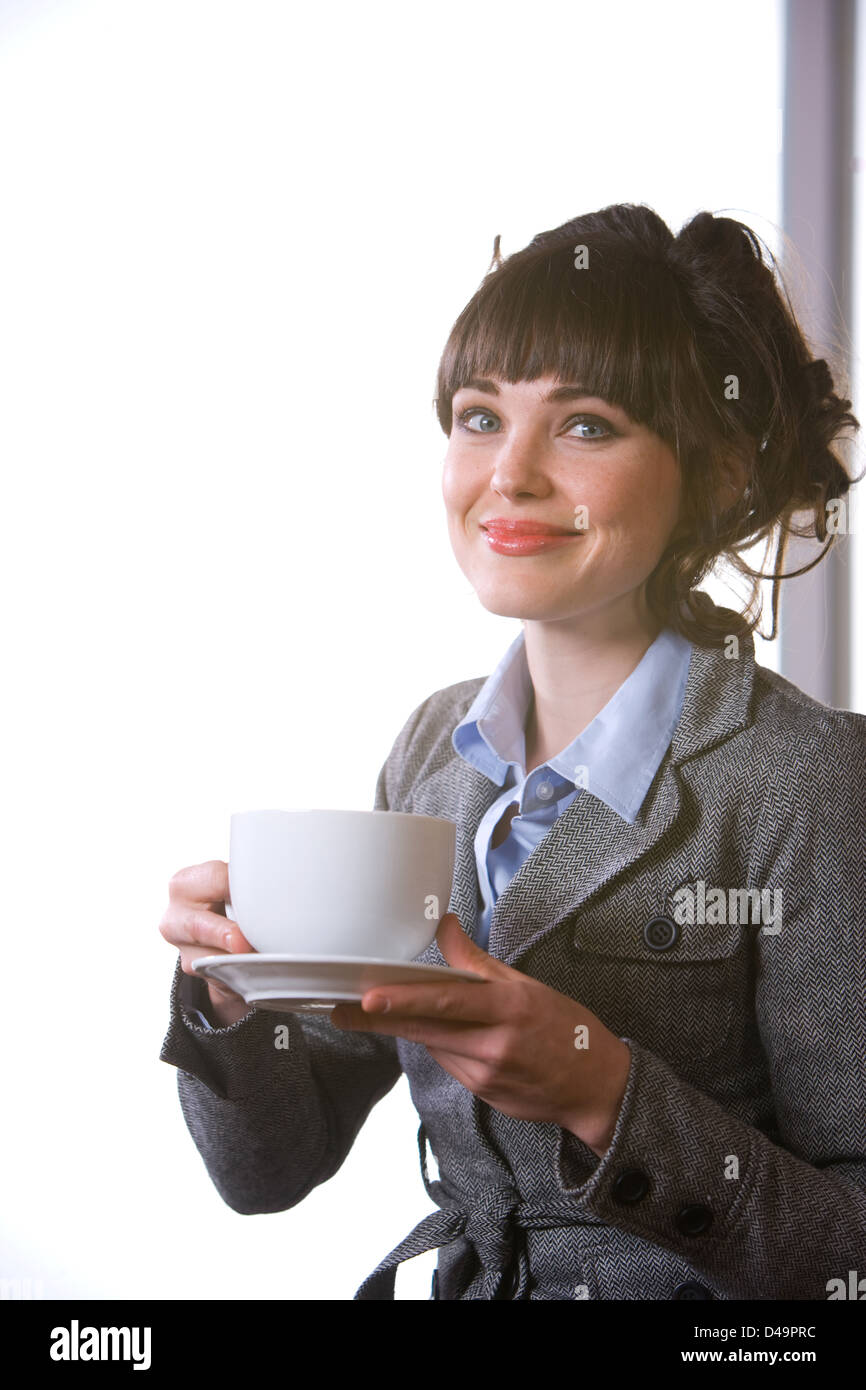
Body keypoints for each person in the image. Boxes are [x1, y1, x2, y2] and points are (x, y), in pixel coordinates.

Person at [159, 203, 866, 1300]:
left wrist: (601, 1090)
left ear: (718, 464)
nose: (511, 474)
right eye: (479, 416)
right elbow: (269, 1170)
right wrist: (231, 999)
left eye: (584, 424)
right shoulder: (433, 752)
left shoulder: (805, 780)